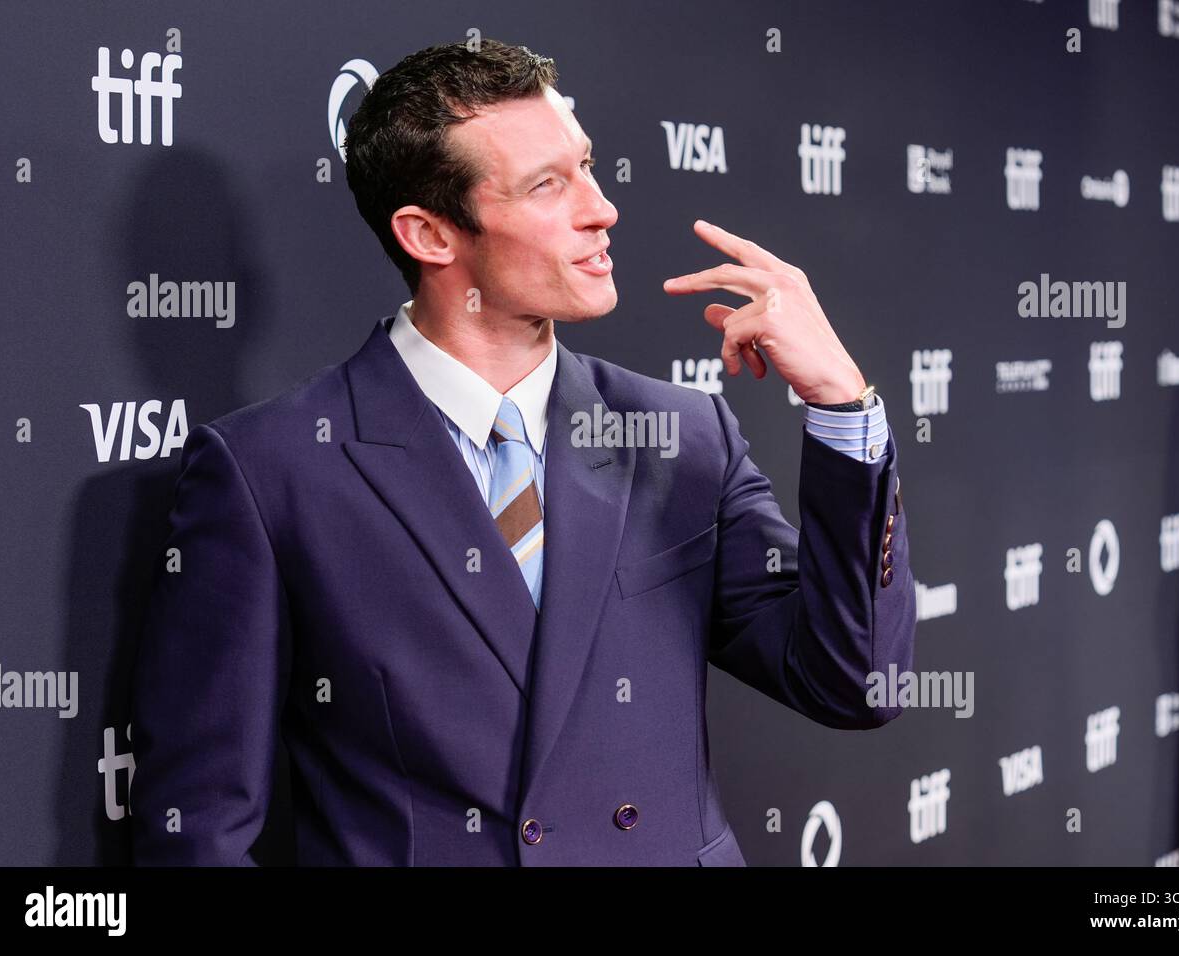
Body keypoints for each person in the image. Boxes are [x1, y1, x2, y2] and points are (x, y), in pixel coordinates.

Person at [129, 38, 916, 867]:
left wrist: (839, 405)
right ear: (430, 234)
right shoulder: (270, 471)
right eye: (549, 185)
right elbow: (199, 830)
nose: (602, 208)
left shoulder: (682, 435)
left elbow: (856, 681)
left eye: (586, 166)